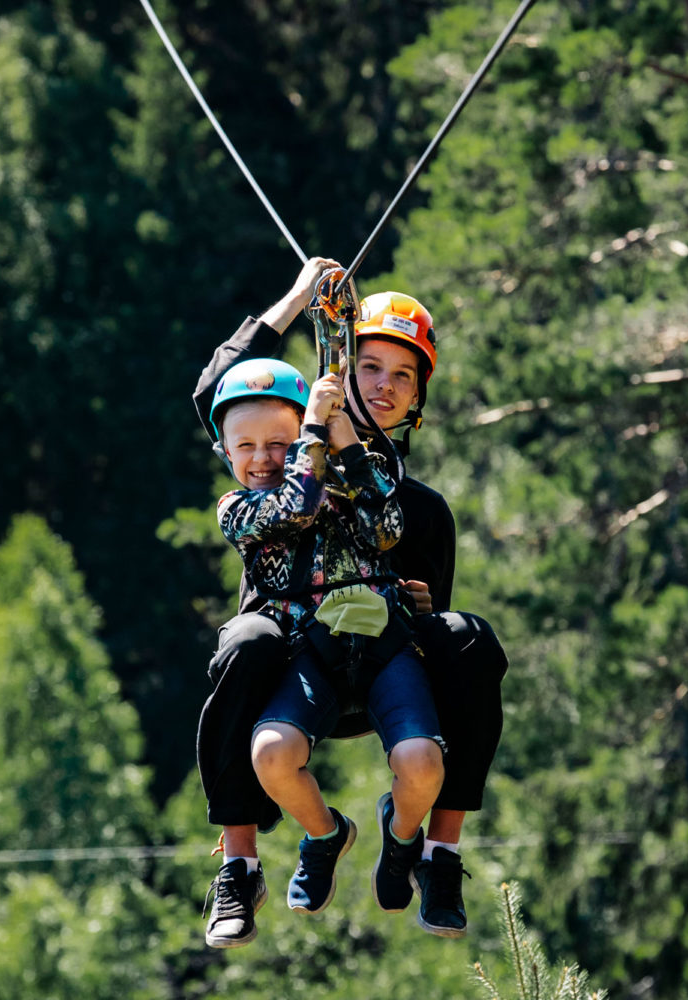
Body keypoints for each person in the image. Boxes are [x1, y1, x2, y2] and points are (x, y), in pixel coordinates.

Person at [194, 259, 508, 948]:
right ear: (339, 368)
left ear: (420, 395)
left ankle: (436, 849)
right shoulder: (279, 457)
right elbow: (221, 393)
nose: (385, 387)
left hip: (382, 659)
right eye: (368, 368)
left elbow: (426, 612)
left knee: (470, 639)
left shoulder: (417, 509)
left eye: (403, 376)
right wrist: (297, 301)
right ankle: (239, 859)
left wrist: (417, 608)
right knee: (244, 643)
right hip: (290, 654)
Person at [212, 358, 446, 921]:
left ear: (298, 441)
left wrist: (346, 447)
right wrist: (314, 431)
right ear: (225, 454)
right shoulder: (238, 509)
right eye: (245, 447)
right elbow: (294, 509)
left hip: (383, 646)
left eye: (277, 442)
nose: (262, 458)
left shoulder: (344, 478)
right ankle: (324, 834)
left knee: (423, 762)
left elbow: (386, 530)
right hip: (309, 651)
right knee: (271, 755)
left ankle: (402, 834)